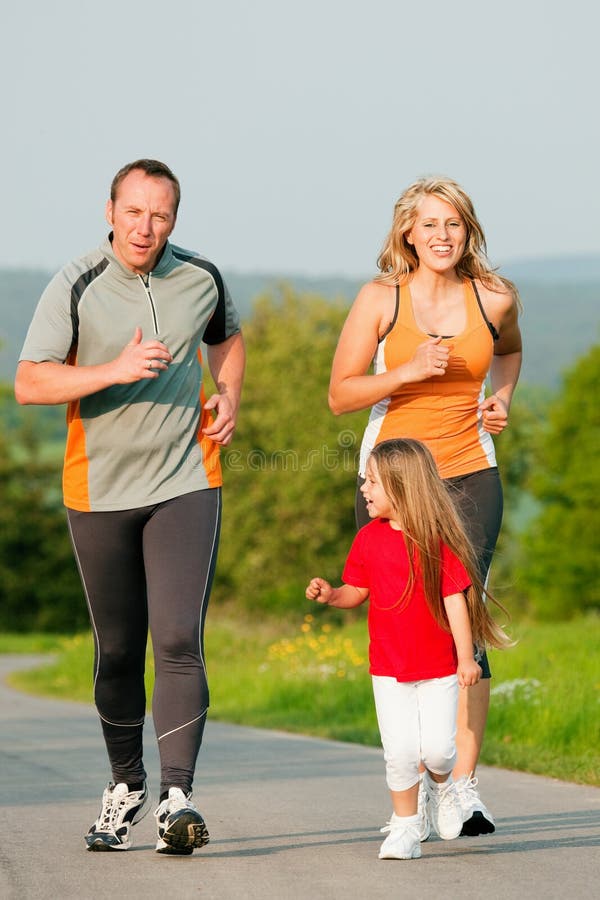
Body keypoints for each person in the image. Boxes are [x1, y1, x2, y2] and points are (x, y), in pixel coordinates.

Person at [15, 159, 245, 855]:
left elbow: (226, 339)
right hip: (100, 489)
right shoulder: (77, 283)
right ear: (110, 211)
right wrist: (113, 370)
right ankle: (126, 786)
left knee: (177, 640)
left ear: (176, 218)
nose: (147, 227)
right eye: (135, 212)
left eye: (162, 215)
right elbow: (29, 382)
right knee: (118, 649)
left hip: (186, 480)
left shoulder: (200, 276)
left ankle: (178, 797)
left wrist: (229, 395)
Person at [328, 176, 522, 835]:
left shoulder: (493, 296)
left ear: (468, 232)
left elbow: (511, 351)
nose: (443, 236)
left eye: (456, 224)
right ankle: (414, 783)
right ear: (407, 232)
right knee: (404, 622)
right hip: (397, 480)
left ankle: (461, 788)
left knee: (462, 613)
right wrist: (405, 373)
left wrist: (502, 398)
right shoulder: (382, 299)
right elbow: (341, 394)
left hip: (471, 471)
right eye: (431, 224)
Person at [306, 438, 511, 860]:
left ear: (402, 488)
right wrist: (331, 595)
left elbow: (456, 600)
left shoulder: (438, 540)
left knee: (437, 749)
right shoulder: (367, 539)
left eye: (373, 482)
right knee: (399, 752)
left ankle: (442, 789)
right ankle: (404, 828)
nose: (364, 489)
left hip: (439, 668)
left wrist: (466, 657)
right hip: (388, 667)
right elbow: (356, 591)